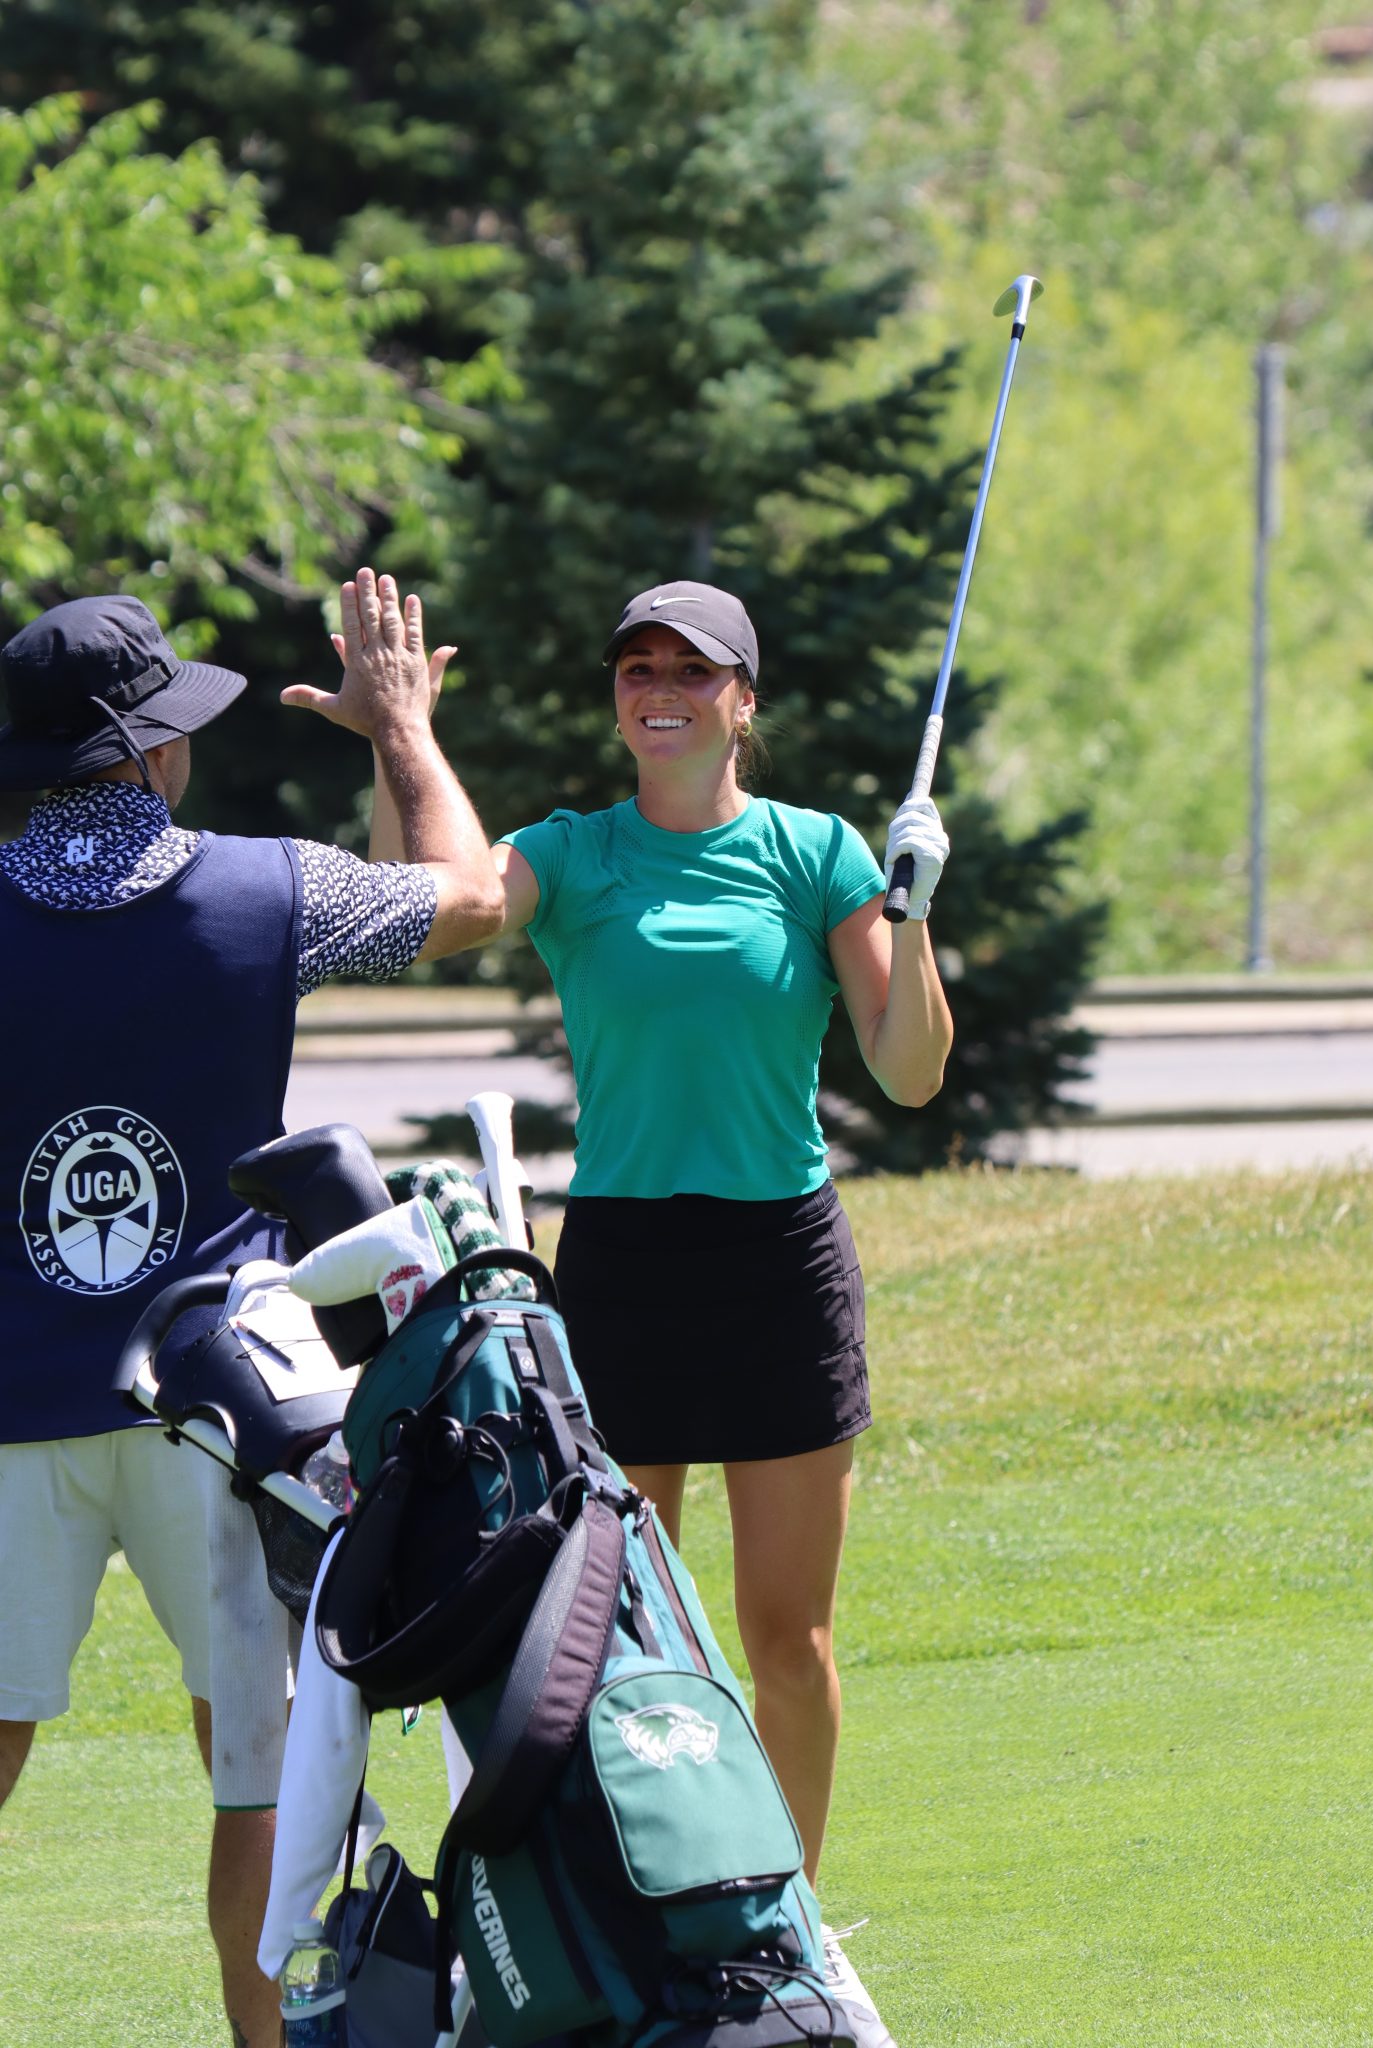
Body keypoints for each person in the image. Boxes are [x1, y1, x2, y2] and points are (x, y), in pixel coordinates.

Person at [351, 577, 952, 2047]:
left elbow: (914, 1071)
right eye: (637, 666)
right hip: (618, 1264)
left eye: (694, 668)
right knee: (610, 1624)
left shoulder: (813, 855)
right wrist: (396, 737)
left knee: (783, 1631)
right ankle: (639, 1902)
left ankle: (784, 1922)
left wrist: (916, 915)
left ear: (746, 699)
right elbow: (420, 912)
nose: (660, 688)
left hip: (777, 1265)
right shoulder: (575, 852)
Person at [0, 569, 503, 2048]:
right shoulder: (264, 888)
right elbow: (471, 899)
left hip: (8, 1412)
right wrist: (399, 730)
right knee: (262, 1775)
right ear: (157, 753)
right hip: (218, 1407)